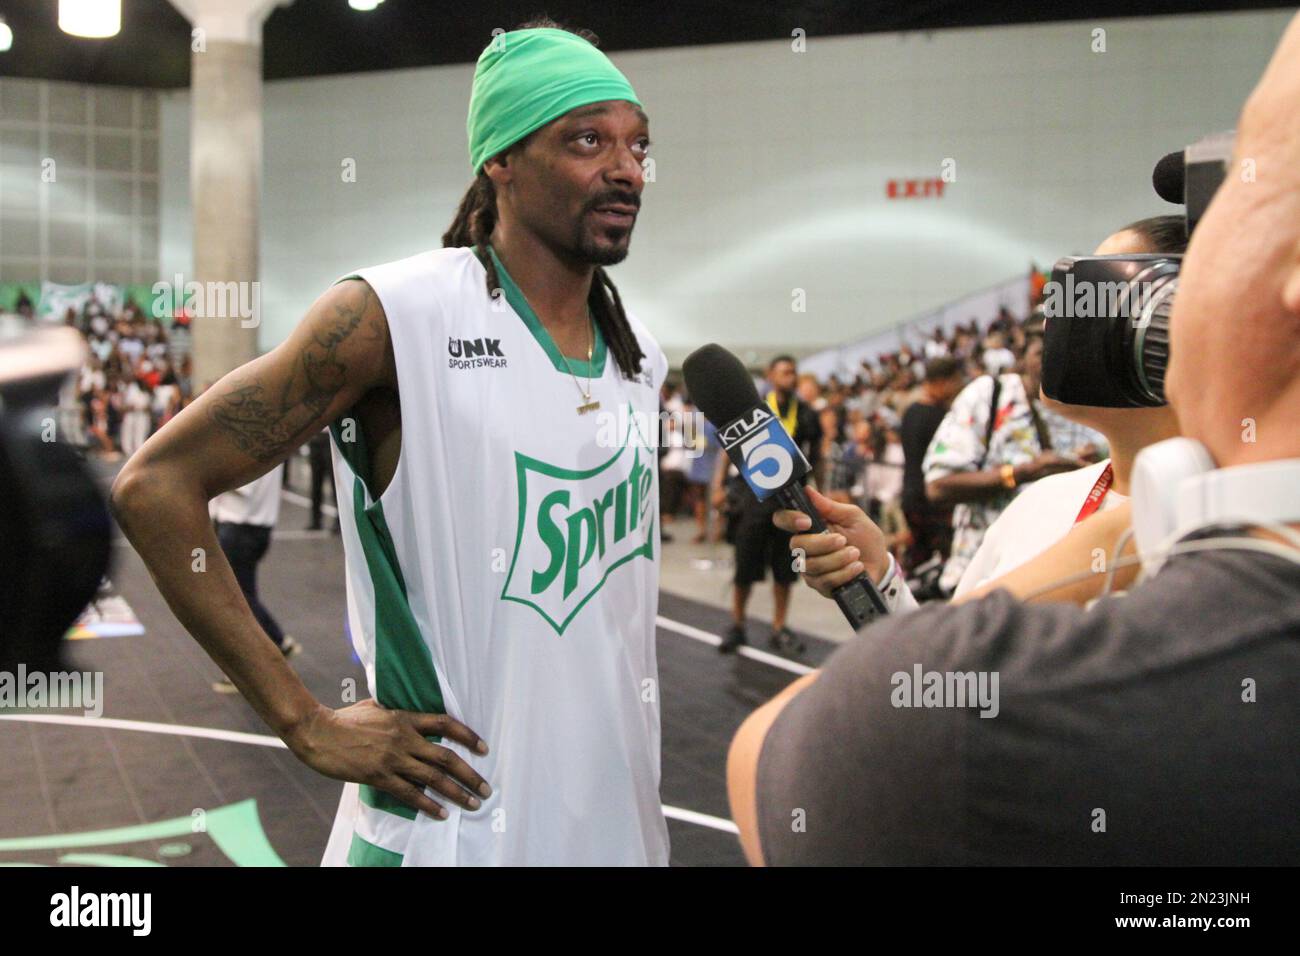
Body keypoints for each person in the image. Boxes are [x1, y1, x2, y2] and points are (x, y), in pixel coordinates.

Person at [727, 10, 1300, 866]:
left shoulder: (1236, 565)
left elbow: (822, 752)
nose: (1066, 315)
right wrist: (886, 583)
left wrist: (1131, 533)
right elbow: (955, 664)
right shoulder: (1047, 505)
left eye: (1238, 199)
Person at [113, 18, 669, 866]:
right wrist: (304, 720)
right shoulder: (392, 318)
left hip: (617, 826)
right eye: (588, 140)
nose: (626, 168)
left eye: (637, 145)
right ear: (501, 160)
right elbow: (155, 486)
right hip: (450, 833)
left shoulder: (639, 359)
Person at [953, 216, 1186, 595]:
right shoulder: (1042, 500)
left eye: (1098, 293)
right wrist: (883, 582)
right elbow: (948, 650)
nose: (1056, 322)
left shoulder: (1235, 532)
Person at [924, 322, 1103, 594]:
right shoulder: (988, 394)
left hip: (1055, 587)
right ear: (1022, 355)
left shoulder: (1088, 404)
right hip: (983, 584)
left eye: (1067, 351)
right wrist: (1022, 473)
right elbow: (938, 487)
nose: (1056, 360)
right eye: (1043, 351)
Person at [718, 354, 821, 655]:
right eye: (784, 372)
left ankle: (779, 626)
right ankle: (737, 625)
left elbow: (818, 457)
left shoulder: (805, 413)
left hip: (792, 499)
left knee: (785, 568)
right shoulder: (755, 410)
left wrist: (820, 494)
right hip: (753, 496)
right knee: (745, 563)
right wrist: (719, 486)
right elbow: (728, 449)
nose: (789, 377)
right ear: (770, 375)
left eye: (793, 372)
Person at [209, 465, 301, 693]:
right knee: (243, 596)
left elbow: (241, 484)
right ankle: (278, 642)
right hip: (253, 527)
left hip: (240, 527)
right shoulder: (271, 442)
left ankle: (246, 670)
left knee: (235, 601)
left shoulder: (249, 447)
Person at [899, 356, 963, 574]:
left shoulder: (911, 411)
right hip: (932, 503)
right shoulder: (941, 417)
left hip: (910, 496)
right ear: (942, 381)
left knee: (919, 560)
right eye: (955, 381)